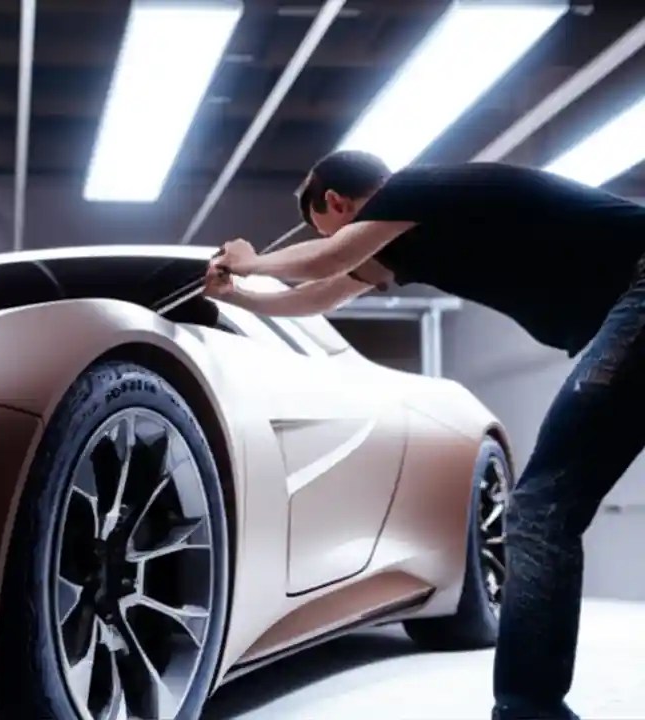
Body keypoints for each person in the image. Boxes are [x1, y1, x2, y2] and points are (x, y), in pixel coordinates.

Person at [205, 150, 645, 720]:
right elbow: (327, 292)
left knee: (541, 508)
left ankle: (529, 710)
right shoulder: (410, 240)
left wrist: (251, 262)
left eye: (329, 226)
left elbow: (325, 261)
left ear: (337, 203)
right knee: (547, 508)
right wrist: (239, 298)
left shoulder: (414, 188)